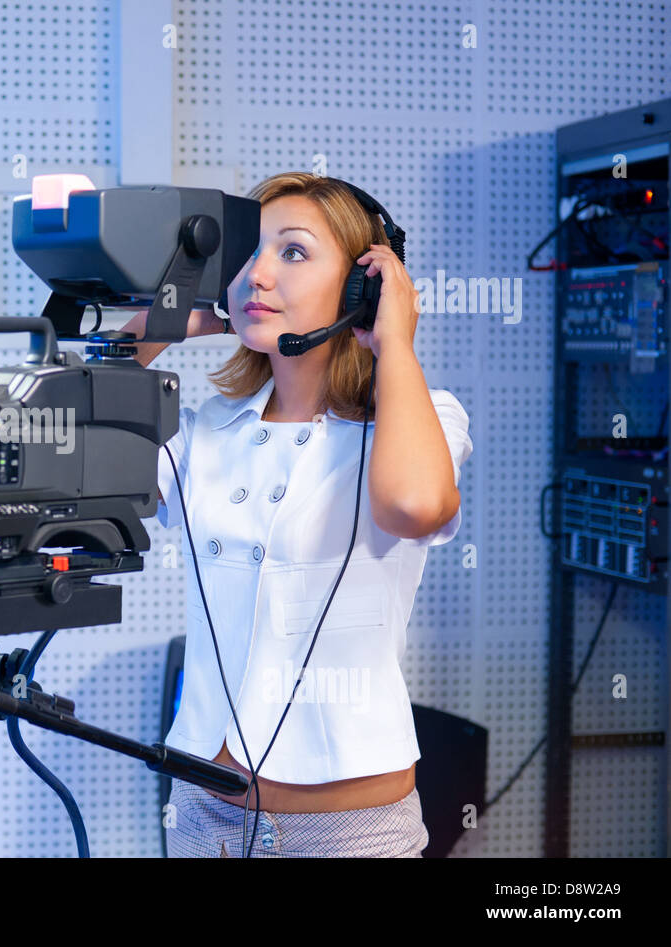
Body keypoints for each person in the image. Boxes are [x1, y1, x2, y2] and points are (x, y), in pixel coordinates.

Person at [124, 172, 472, 858]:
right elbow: (73, 450)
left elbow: (413, 504)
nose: (258, 274)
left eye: (292, 252)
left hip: (353, 832)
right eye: (248, 253)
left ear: (361, 289)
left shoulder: (424, 422)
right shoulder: (203, 431)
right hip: (205, 818)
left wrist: (394, 345)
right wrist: (161, 323)